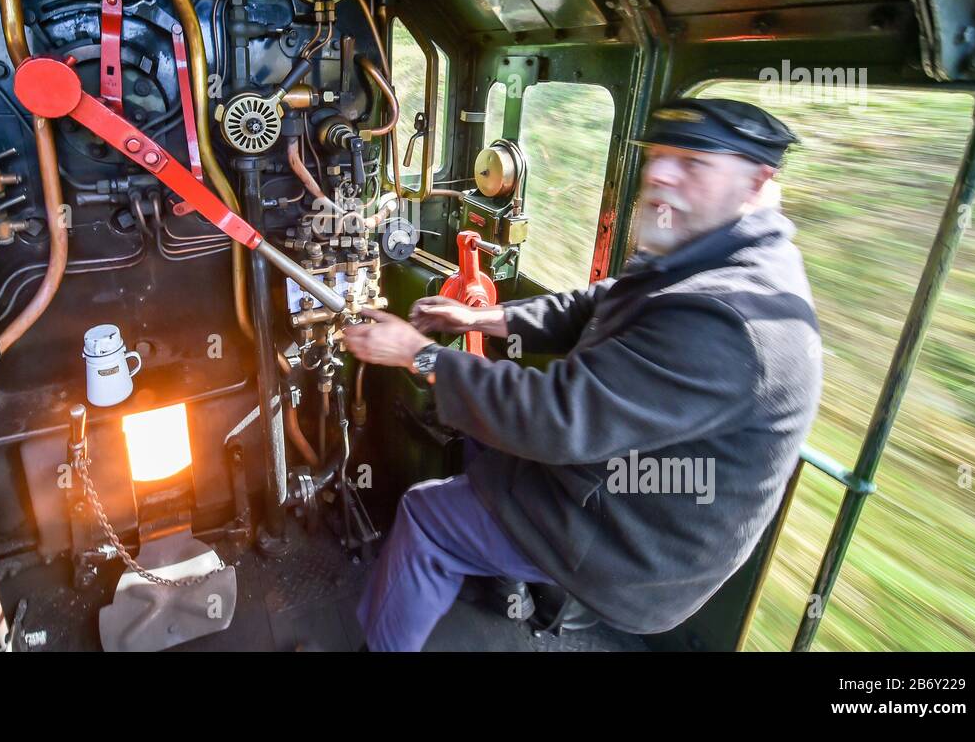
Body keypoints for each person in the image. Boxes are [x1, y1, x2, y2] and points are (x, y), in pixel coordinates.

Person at [343, 98, 822, 651]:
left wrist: (417, 355)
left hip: (634, 540)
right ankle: (499, 575)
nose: (660, 173)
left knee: (427, 517)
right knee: (480, 435)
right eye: (659, 156)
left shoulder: (729, 320)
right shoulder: (708, 255)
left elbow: (555, 419)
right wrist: (481, 317)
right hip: (612, 479)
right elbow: (599, 303)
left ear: (757, 180)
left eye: (693, 163)